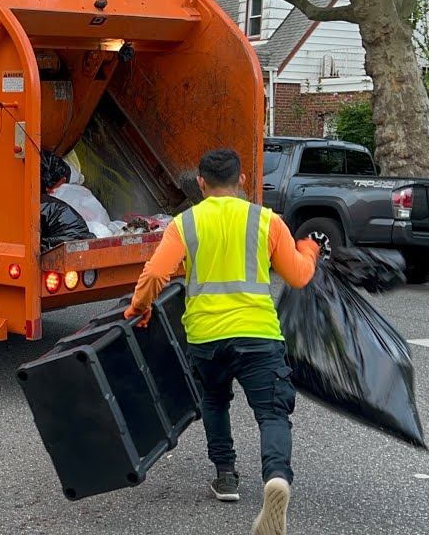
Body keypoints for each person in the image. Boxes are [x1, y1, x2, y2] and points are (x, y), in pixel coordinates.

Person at [125, 148, 320, 535]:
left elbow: (156, 274)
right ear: (242, 179)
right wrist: (309, 250)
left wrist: (138, 308)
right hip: (258, 335)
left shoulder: (186, 223)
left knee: (214, 400)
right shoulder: (266, 220)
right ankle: (276, 478)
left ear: (201, 183)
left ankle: (226, 476)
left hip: (207, 337)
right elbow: (299, 277)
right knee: (272, 413)